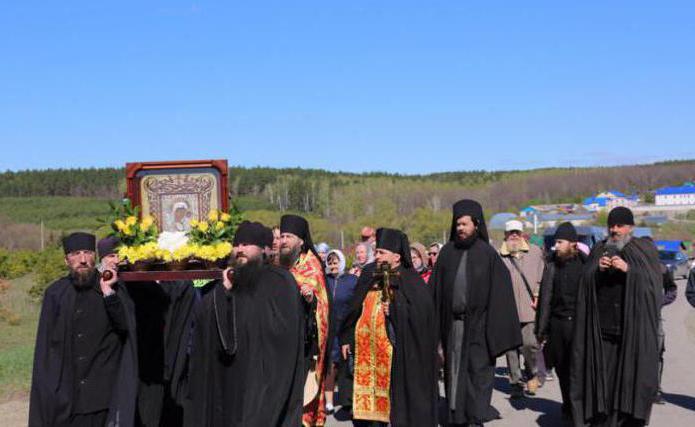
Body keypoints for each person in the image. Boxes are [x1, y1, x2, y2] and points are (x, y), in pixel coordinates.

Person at [186, 221, 305, 426]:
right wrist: (224, 291)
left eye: (247, 244)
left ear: (265, 249)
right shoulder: (230, 281)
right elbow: (204, 320)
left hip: (264, 378)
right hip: (232, 377)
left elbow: (285, 334)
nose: (240, 249)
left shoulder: (279, 280)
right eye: (237, 244)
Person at [29, 232, 138, 427]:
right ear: (66, 260)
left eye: (87, 253)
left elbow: (126, 328)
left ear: (94, 257)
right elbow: (45, 349)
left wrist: (109, 294)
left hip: (104, 399)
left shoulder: (113, 288)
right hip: (67, 398)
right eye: (75, 254)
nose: (82, 260)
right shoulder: (55, 294)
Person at [431, 200, 522, 426]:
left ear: (476, 224)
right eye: (457, 224)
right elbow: (433, 292)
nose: (460, 228)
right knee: (454, 374)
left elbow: (501, 298)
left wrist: (496, 336)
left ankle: (475, 418)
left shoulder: (487, 255)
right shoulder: (447, 254)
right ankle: (456, 416)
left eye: (464, 224)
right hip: (452, 328)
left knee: (477, 375)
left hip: (479, 330)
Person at [570, 207, 662, 427]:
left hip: (631, 332)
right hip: (602, 331)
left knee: (630, 381)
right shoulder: (599, 249)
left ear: (630, 227)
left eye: (619, 225)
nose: (614, 230)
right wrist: (596, 271)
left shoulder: (643, 249)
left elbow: (654, 286)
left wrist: (629, 270)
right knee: (605, 384)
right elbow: (584, 283)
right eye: (611, 225)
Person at [339, 228, 437, 427]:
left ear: (397, 257)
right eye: (376, 252)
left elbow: (422, 315)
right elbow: (354, 309)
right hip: (367, 352)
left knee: (394, 405)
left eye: (381, 252)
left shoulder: (410, 280)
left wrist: (395, 309)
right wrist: (347, 338)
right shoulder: (369, 273)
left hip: (395, 354)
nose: (376, 256)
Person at [280, 214, 331, 427]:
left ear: (301, 241)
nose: (283, 241)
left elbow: (320, 305)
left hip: (304, 345)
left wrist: (309, 298)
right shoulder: (280, 262)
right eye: (282, 236)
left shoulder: (311, 265)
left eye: (288, 236)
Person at [535, 222, 587, 419]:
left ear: (573, 243)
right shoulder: (551, 265)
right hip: (557, 326)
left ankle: (579, 411)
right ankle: (568, 406)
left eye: (560, 242)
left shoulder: (585, 265)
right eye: (556, 241)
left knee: (577, 370)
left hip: (578, 326)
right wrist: (542, 330)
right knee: (562, 370)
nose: (556, 246)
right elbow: (545, 299)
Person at [498, 220, 544, 398]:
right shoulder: (498, 256)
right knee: (511, 350)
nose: (514, 235)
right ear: (505, 235)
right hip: (507, 311)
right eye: (511, 233)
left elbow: (542, 277)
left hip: (529, 309)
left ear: (522, 233)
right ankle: (515, 382)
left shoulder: (535, 252)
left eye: (517, 232)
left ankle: (532, 373)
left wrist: (538, 297)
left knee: (530, 345)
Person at [323, 249, 358, 415]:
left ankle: (349, 401)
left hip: (347, 328)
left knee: (348, 364)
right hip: (329, 329)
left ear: (342, 262)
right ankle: (329, 402)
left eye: (335, 262)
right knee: (330, 365)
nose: (332, 265)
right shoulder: (324, 280)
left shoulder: (352, 280)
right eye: (330, 262)